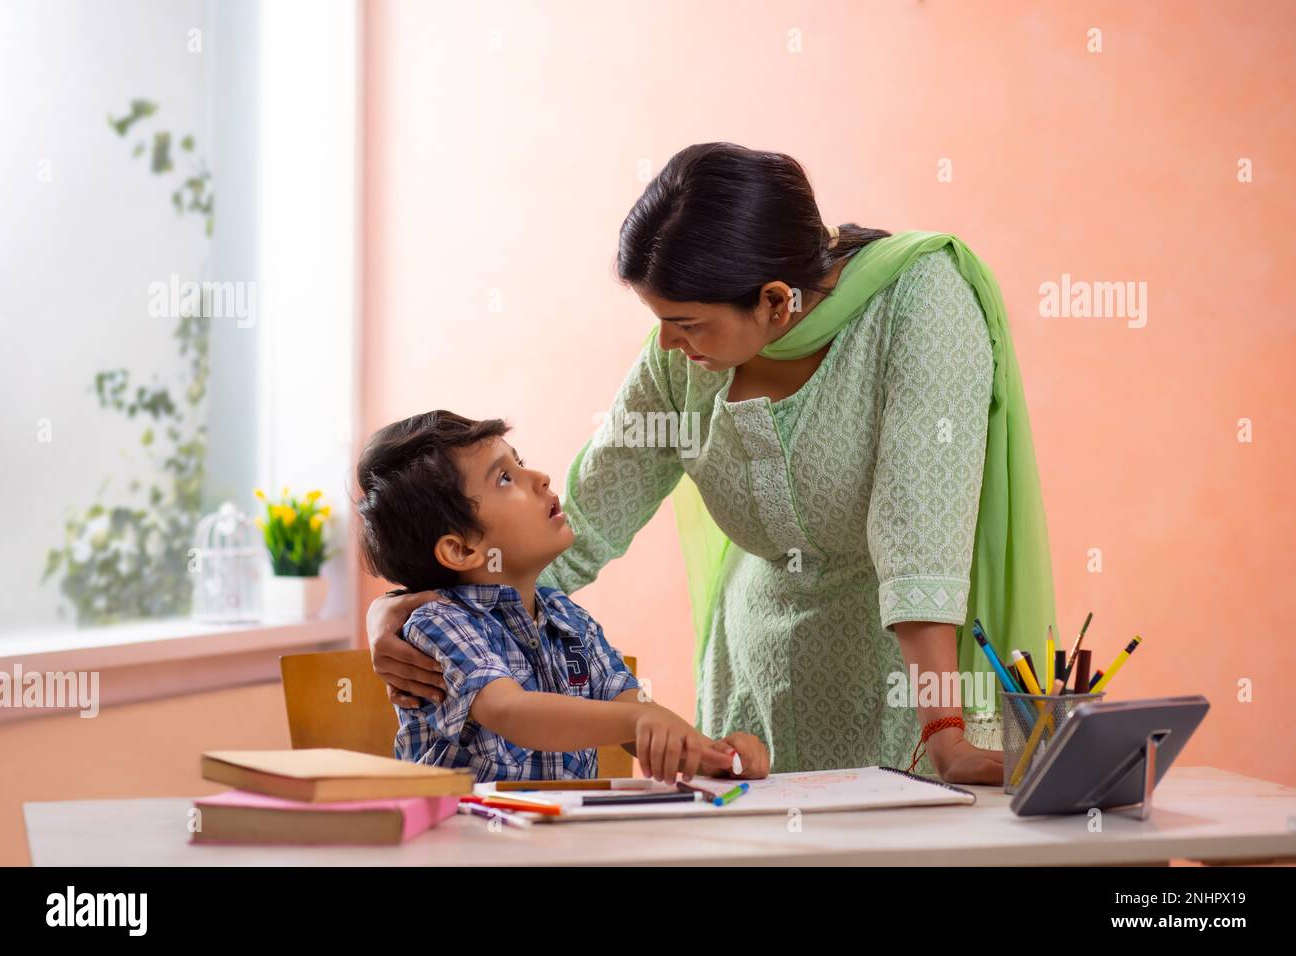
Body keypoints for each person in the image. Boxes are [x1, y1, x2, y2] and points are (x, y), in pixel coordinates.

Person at [366, 143, 1057, 784]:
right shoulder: (681, 358)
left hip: (912, 681)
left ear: (776, 301)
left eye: (686, 321)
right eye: (659, 318)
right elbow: (572, 529)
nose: (665, 343)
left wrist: (946, 735)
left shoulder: (920, 301)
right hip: (759, 679)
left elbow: (920, 543)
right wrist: (404, 605)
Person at [355, 409, 770, 782]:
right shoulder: (439, 622)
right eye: (505, 478)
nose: (539, 478)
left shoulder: (569, 619)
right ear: (462, 549)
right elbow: (509, 712)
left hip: (560, 840)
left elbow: (630, 702)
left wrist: (711, 754)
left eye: (519, 463)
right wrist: (637, 719)